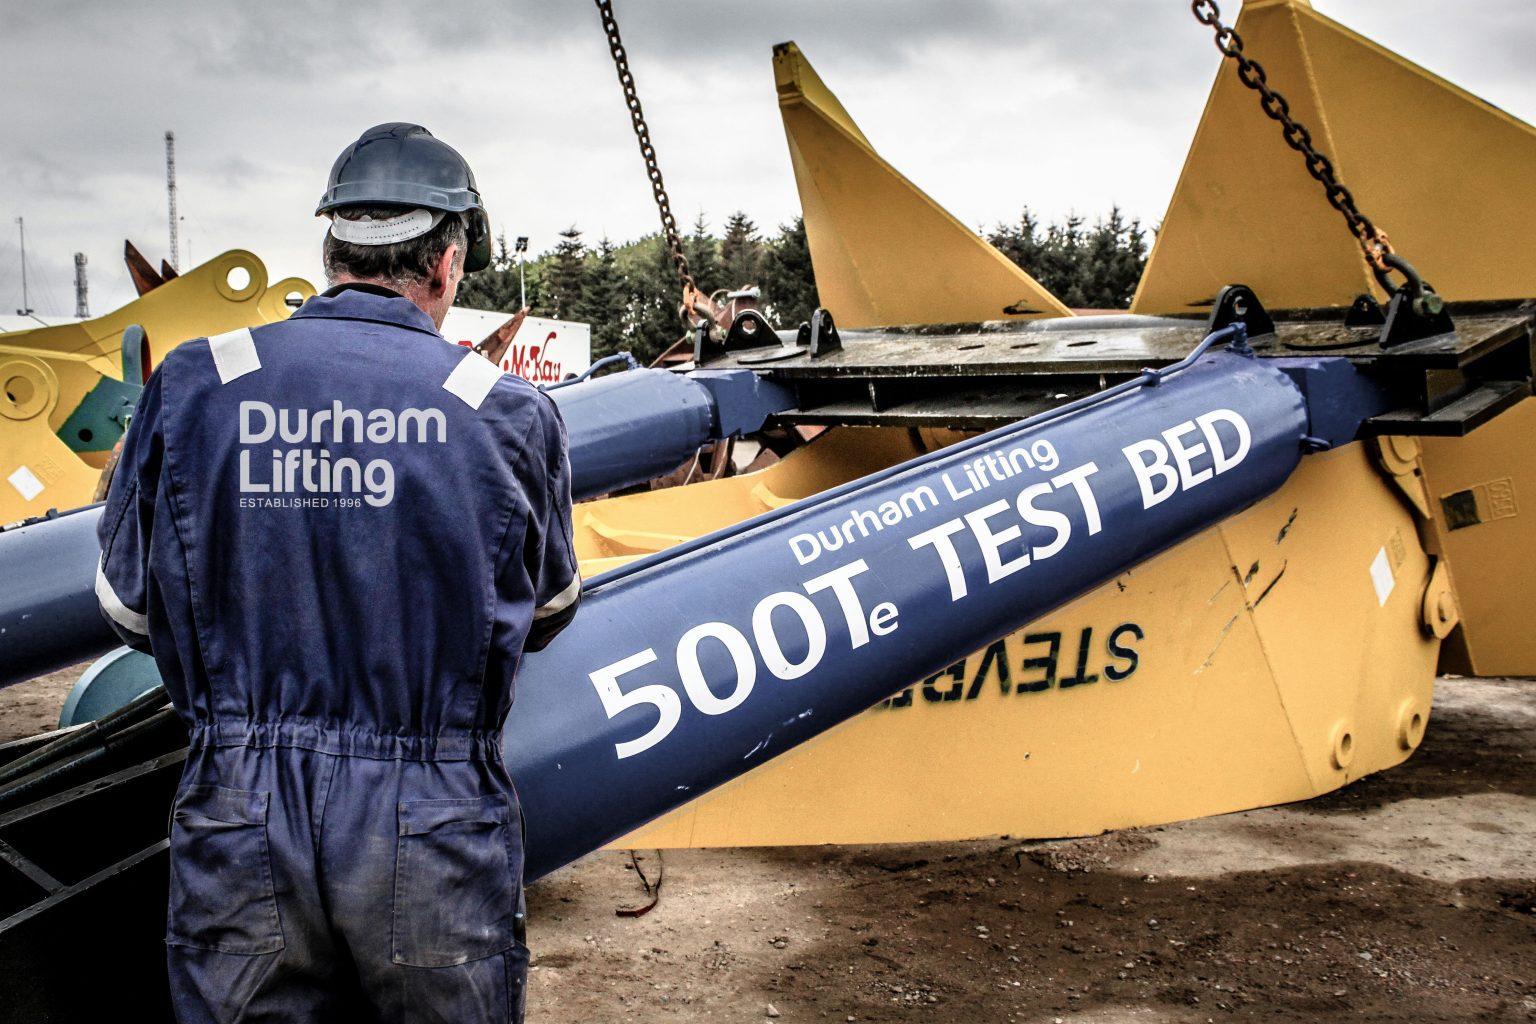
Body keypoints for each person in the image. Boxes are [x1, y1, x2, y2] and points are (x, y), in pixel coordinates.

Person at [94, 122, 580, 1023]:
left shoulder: (199, 384)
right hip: (432, 823)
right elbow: (546, 611)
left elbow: (128, 614)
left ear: (332, 250)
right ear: (448, 262)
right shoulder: (507, 411)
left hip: (240, 812)